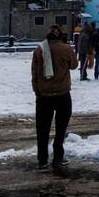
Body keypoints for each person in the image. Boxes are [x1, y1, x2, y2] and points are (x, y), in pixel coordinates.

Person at [31, 24, 76, 169]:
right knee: (60, 129)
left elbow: (34, 74)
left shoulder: (39, 50)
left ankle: (42, 160)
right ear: (60, 35)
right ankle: (57, 158)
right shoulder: (66, 49)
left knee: (42, 130)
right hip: (62, 94)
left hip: (44, 96)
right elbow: (74, 65)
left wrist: (37, 91)